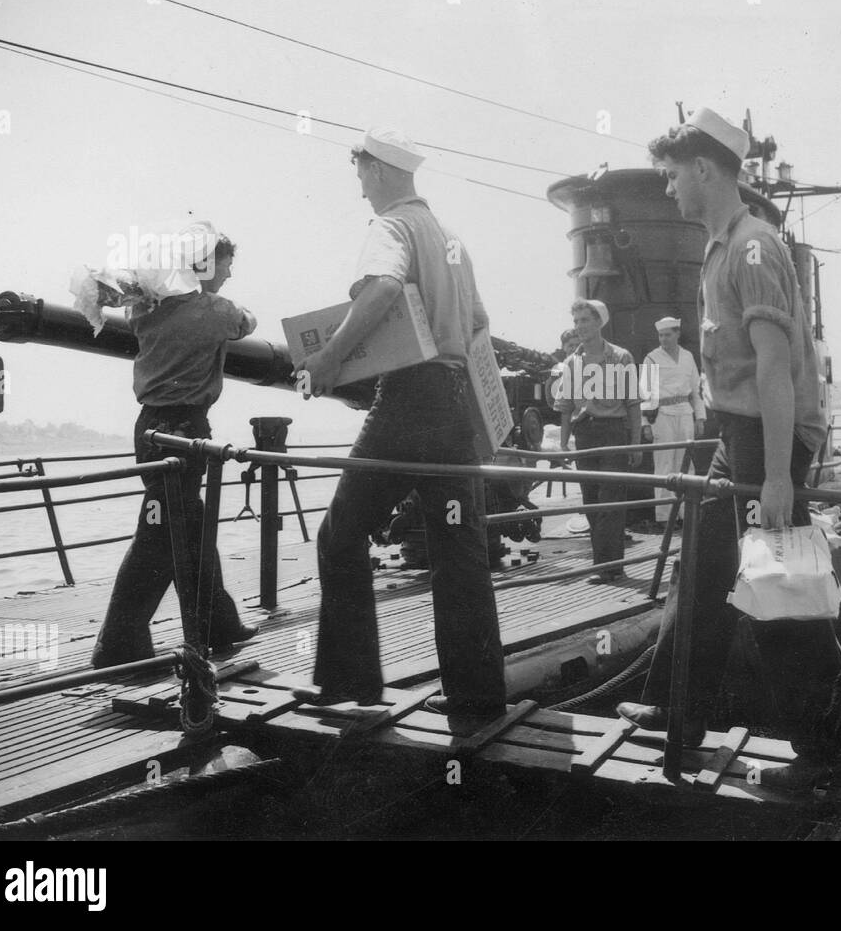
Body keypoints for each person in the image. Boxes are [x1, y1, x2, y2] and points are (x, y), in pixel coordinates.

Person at [617, 108, 841, 791]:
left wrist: (780, 476)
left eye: (671, 176)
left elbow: (775, 368)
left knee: (780, 588)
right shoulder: (721, 246)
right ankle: (681, 713)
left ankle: (830, 754)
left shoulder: (754, 247)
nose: (667, 189)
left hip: (767, 437)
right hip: (737, 433)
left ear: (704, 169)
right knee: (701, 570)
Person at [294, 125, 506, 717]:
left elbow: (384, 286)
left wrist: (329, 360)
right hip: (455, 404)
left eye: (360, 173)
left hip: (409, 400)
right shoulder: (451, 238)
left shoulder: (392, 226)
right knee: (459, 548)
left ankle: (350, 685)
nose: (361, 188)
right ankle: (478, 697)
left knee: (340, 535)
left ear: (378, 170)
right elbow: (481, 326)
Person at [91, 223, 259, 667]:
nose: (228, 274)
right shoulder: (217, 310)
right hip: (184, 428)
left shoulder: (146, 308)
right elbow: (246, 323)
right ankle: (117, 644)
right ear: (203, 265)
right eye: (225, 264)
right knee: (161, 533)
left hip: (149, 426)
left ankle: (217, 624)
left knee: (189, 522)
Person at [554, 299, 642, 583]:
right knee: (592, 500)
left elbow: (633, 404)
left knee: (611, 500)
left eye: (584, 320)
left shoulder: (621, 357)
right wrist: (563, 445)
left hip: (613, 432)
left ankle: (610, 567)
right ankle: (603, 565)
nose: (579, 326)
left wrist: (636, 442)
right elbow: (566, 407)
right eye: (576, 321)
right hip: (585, 434)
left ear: (599, 322)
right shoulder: (571, 362)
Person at [640, 317, 705, 524]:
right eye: (661, 335)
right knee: (664, 464)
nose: (664, 339)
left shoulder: (688, 357)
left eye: (668, 335)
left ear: (677, 334)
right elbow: (645, 393)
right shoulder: (652, 358)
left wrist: (700, 417)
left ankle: (686, 514)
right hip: (662, 416)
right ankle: (664, 517)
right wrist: (645, 423)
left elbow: (696, 390)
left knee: (686, 464)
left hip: (685, 413)